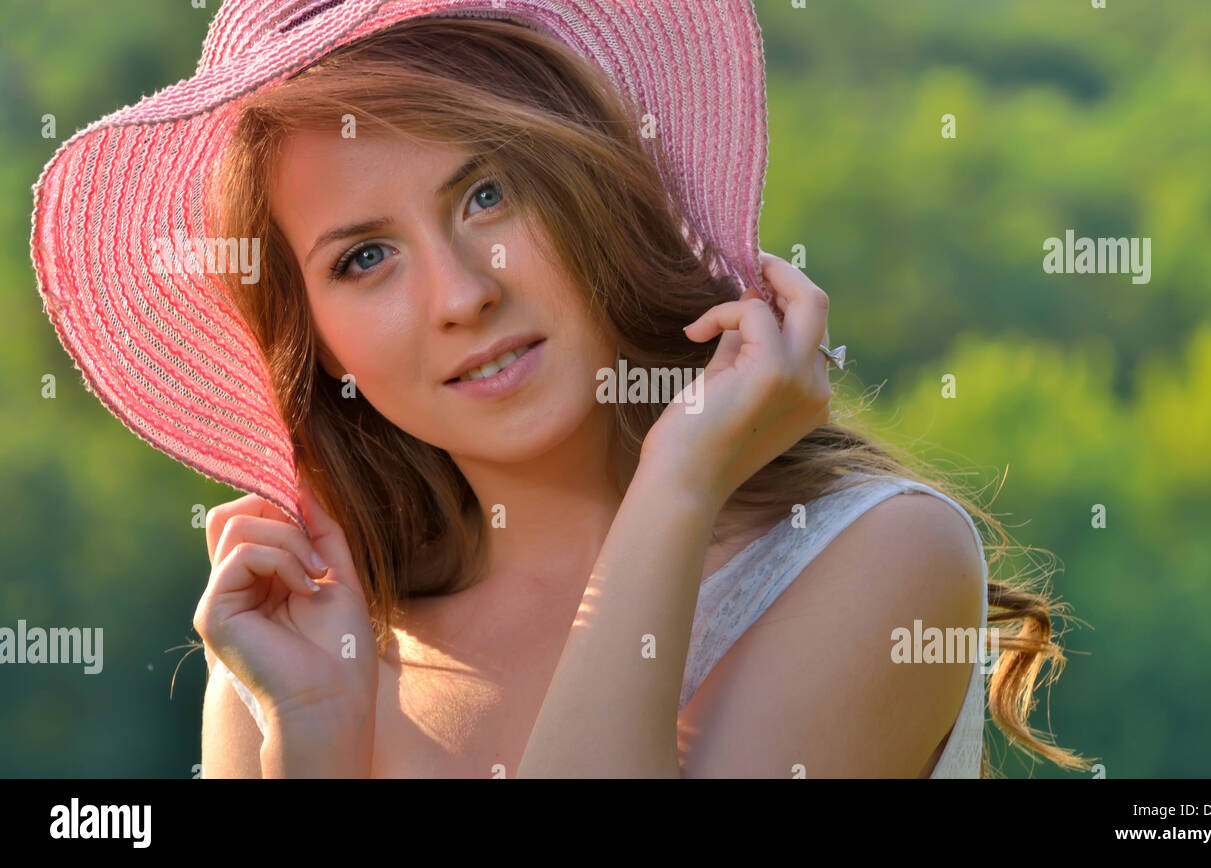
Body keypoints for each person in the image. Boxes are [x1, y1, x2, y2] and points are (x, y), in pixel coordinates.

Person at [30, 1, 1090, 778]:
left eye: (487, 193)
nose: (457, 296)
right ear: (319, 344)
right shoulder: (300, 655)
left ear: (590, 181)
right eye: (363, 259)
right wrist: (312, 744)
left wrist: (675, 483)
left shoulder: (872, 559)